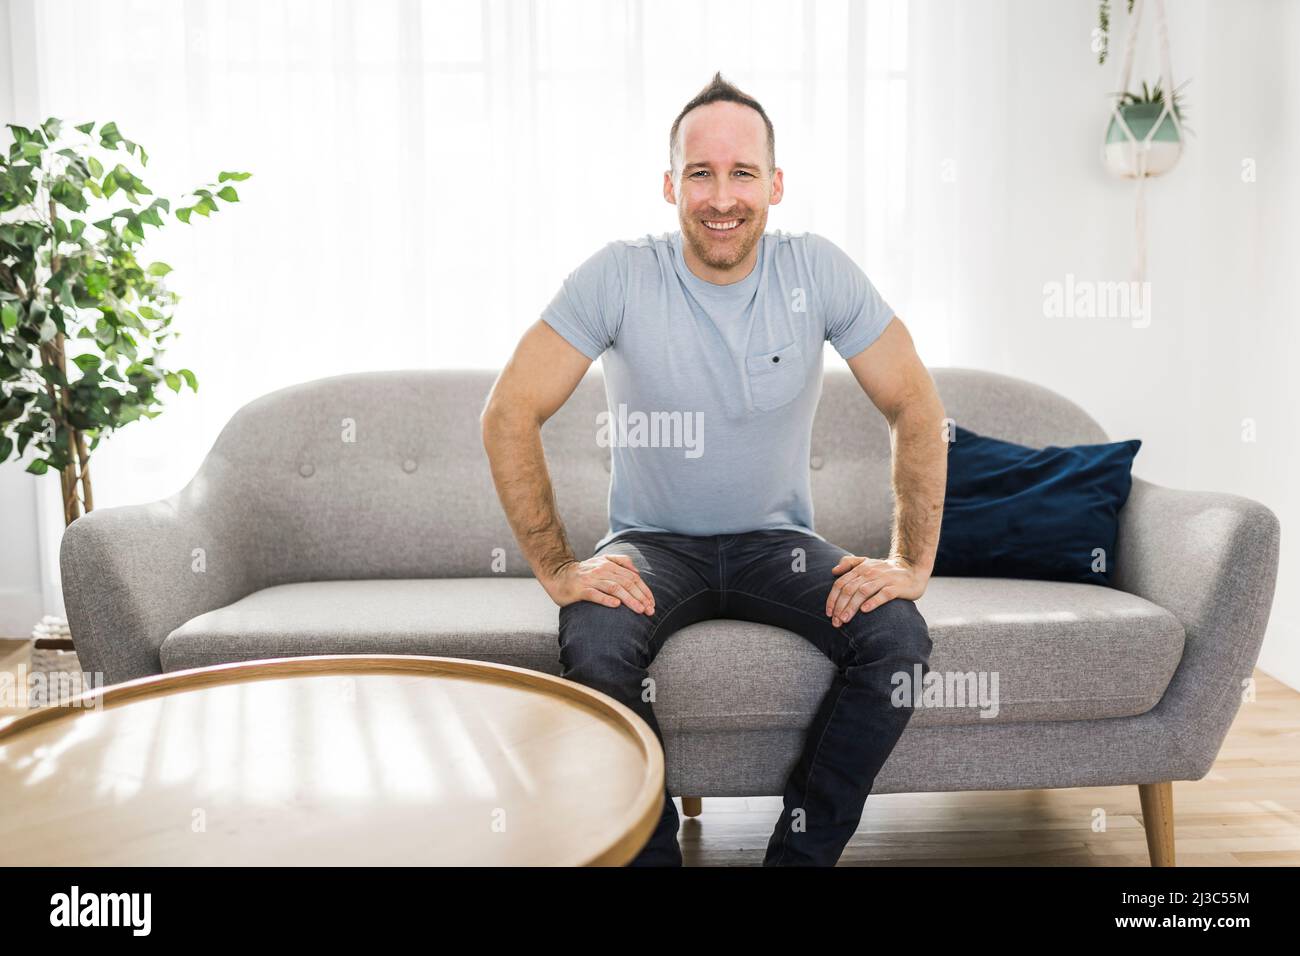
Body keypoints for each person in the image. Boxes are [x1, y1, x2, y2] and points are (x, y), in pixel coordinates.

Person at [481, 72, 947, 866]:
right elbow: (507, 414)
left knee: (898, 637)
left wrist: (912, 563)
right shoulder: (619, 275)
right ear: (670, 186)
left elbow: (916, 406)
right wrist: (559, 568)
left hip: (780, 546)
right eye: (701, 173)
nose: (721, 196)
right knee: (593, 645)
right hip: (652, 545)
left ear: (775, 183)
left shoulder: (818, 273)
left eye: (742, 173)